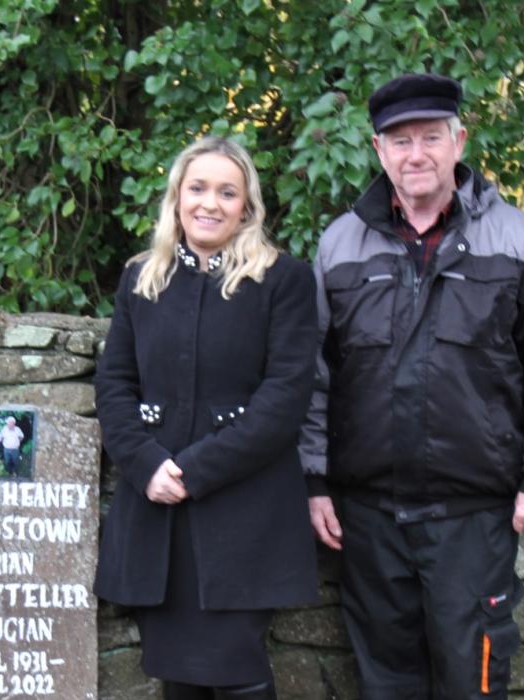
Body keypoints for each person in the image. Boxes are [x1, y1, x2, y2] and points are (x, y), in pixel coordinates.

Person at [300, 73, 524, 698]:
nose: (416, 154)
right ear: (378, 151)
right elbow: (314, 374)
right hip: (368, 516)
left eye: (431, 137)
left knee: (473, 677)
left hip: (472, 515)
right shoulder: (340, 245)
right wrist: (315, 481)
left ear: (459, 141)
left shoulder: (520, 240)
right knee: (386, 683)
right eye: (400, 141)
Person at [93, 137, 319, 700]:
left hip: (244, 515)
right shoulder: (142, 278)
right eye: (197, 188)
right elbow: (115, 384)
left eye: (226, 191)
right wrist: (147, 466)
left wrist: (194, 472)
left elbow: (284, 399)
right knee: (177, 673)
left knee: (233, 665)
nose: (209, 203)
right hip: (157, 514)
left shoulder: (283, 280)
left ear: (247, 205)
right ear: (177, 197)